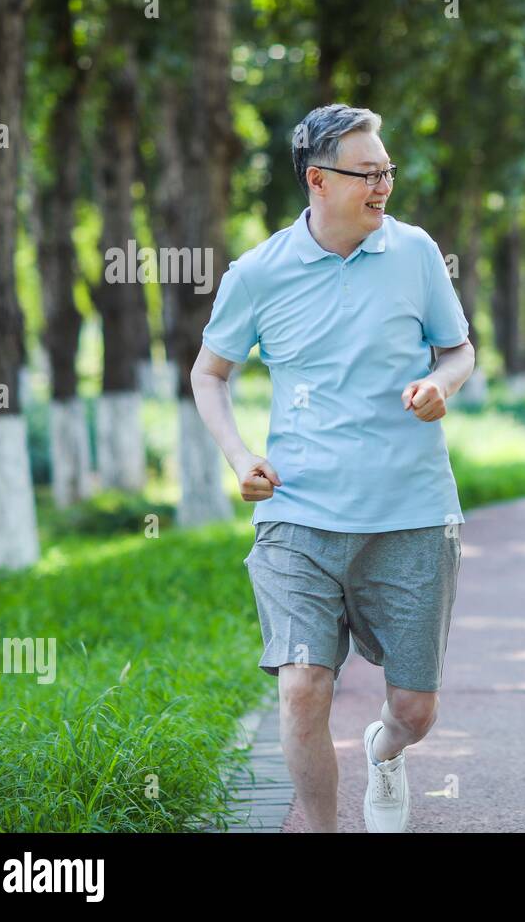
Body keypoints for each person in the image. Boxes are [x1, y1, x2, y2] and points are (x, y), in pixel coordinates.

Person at [190, 104, 474, 833]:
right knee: (303, 688)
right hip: (297, 514)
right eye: (367, 173)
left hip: (410, 512)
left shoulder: (414, 253)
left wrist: (442, 384)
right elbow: (208, 375)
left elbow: (458, 348)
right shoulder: (258, 274)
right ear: (318, 179)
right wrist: (239, 455)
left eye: (387, 172)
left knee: (416, 708)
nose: (383, 185)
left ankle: (385, 750)